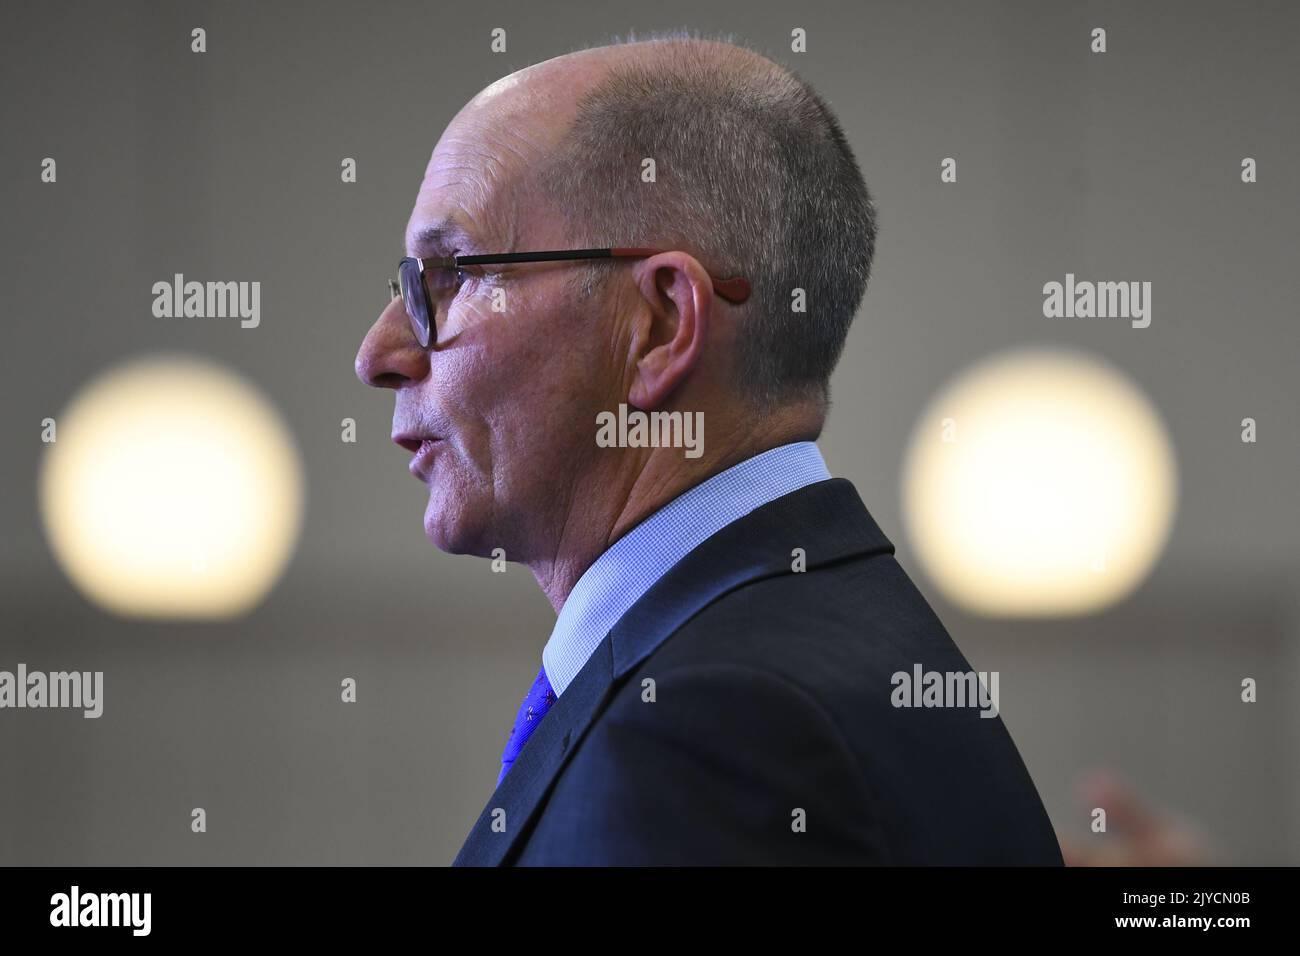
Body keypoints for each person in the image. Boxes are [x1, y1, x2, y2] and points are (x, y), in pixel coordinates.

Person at [355, 31, 1062, 865]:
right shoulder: (842, 641)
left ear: (657, 325)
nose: (379, 353)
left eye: (453, 275)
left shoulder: (701, 733)